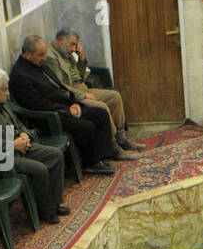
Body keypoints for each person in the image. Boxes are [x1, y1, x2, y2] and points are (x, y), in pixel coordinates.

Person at [0, 68, 68, 224]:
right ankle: (46, 212)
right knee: (39, 169)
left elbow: (16, 122)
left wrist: (24, 134)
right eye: (4, 90)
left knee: (55, 154)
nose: (7, 94)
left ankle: (54, 203)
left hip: (18, 147)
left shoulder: (0, 101)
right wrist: (12, 145)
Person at [9, 35, 122, 176]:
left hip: (64, 106)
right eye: (40, 55)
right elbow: (37, 104)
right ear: (27, 54)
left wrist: (73, 102)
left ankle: (101, 156)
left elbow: (58, 88)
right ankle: (90, 163)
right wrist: (66, 109)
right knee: (87, 126)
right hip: (50, 117)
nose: (44, 58)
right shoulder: (20, 75)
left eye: (44, 53)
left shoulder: (39, 64)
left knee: (100, 114)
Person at [43, 28, 141, 153]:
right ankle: (113, 147)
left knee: (114, 97)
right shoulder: (51, 57)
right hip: (73, 96)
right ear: (61, 40)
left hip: (83, 88)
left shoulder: (67, 54)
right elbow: (60, 86)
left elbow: (80, 76)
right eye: (72, 44)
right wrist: (83, 95)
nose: (74, 48)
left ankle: (122, 139)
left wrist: (82, 59)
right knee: (102, 107)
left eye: (76, 45)